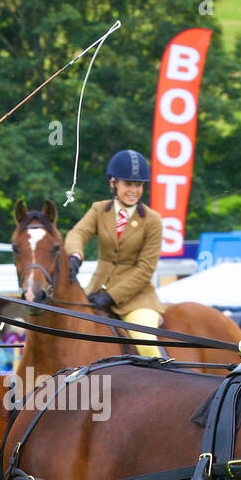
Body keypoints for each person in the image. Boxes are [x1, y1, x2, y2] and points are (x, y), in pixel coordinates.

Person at [65, 149, 165, 357]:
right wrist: (75, 255)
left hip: (137, 299)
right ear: (113, 183)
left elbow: (146, 269)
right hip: (95, 292)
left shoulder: (152, 220)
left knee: (146, 343)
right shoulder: (99, 210)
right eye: (128, 184)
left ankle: (166, 381)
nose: (133, 190)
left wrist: (111, 296)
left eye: (138, 185)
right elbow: (78, 233)